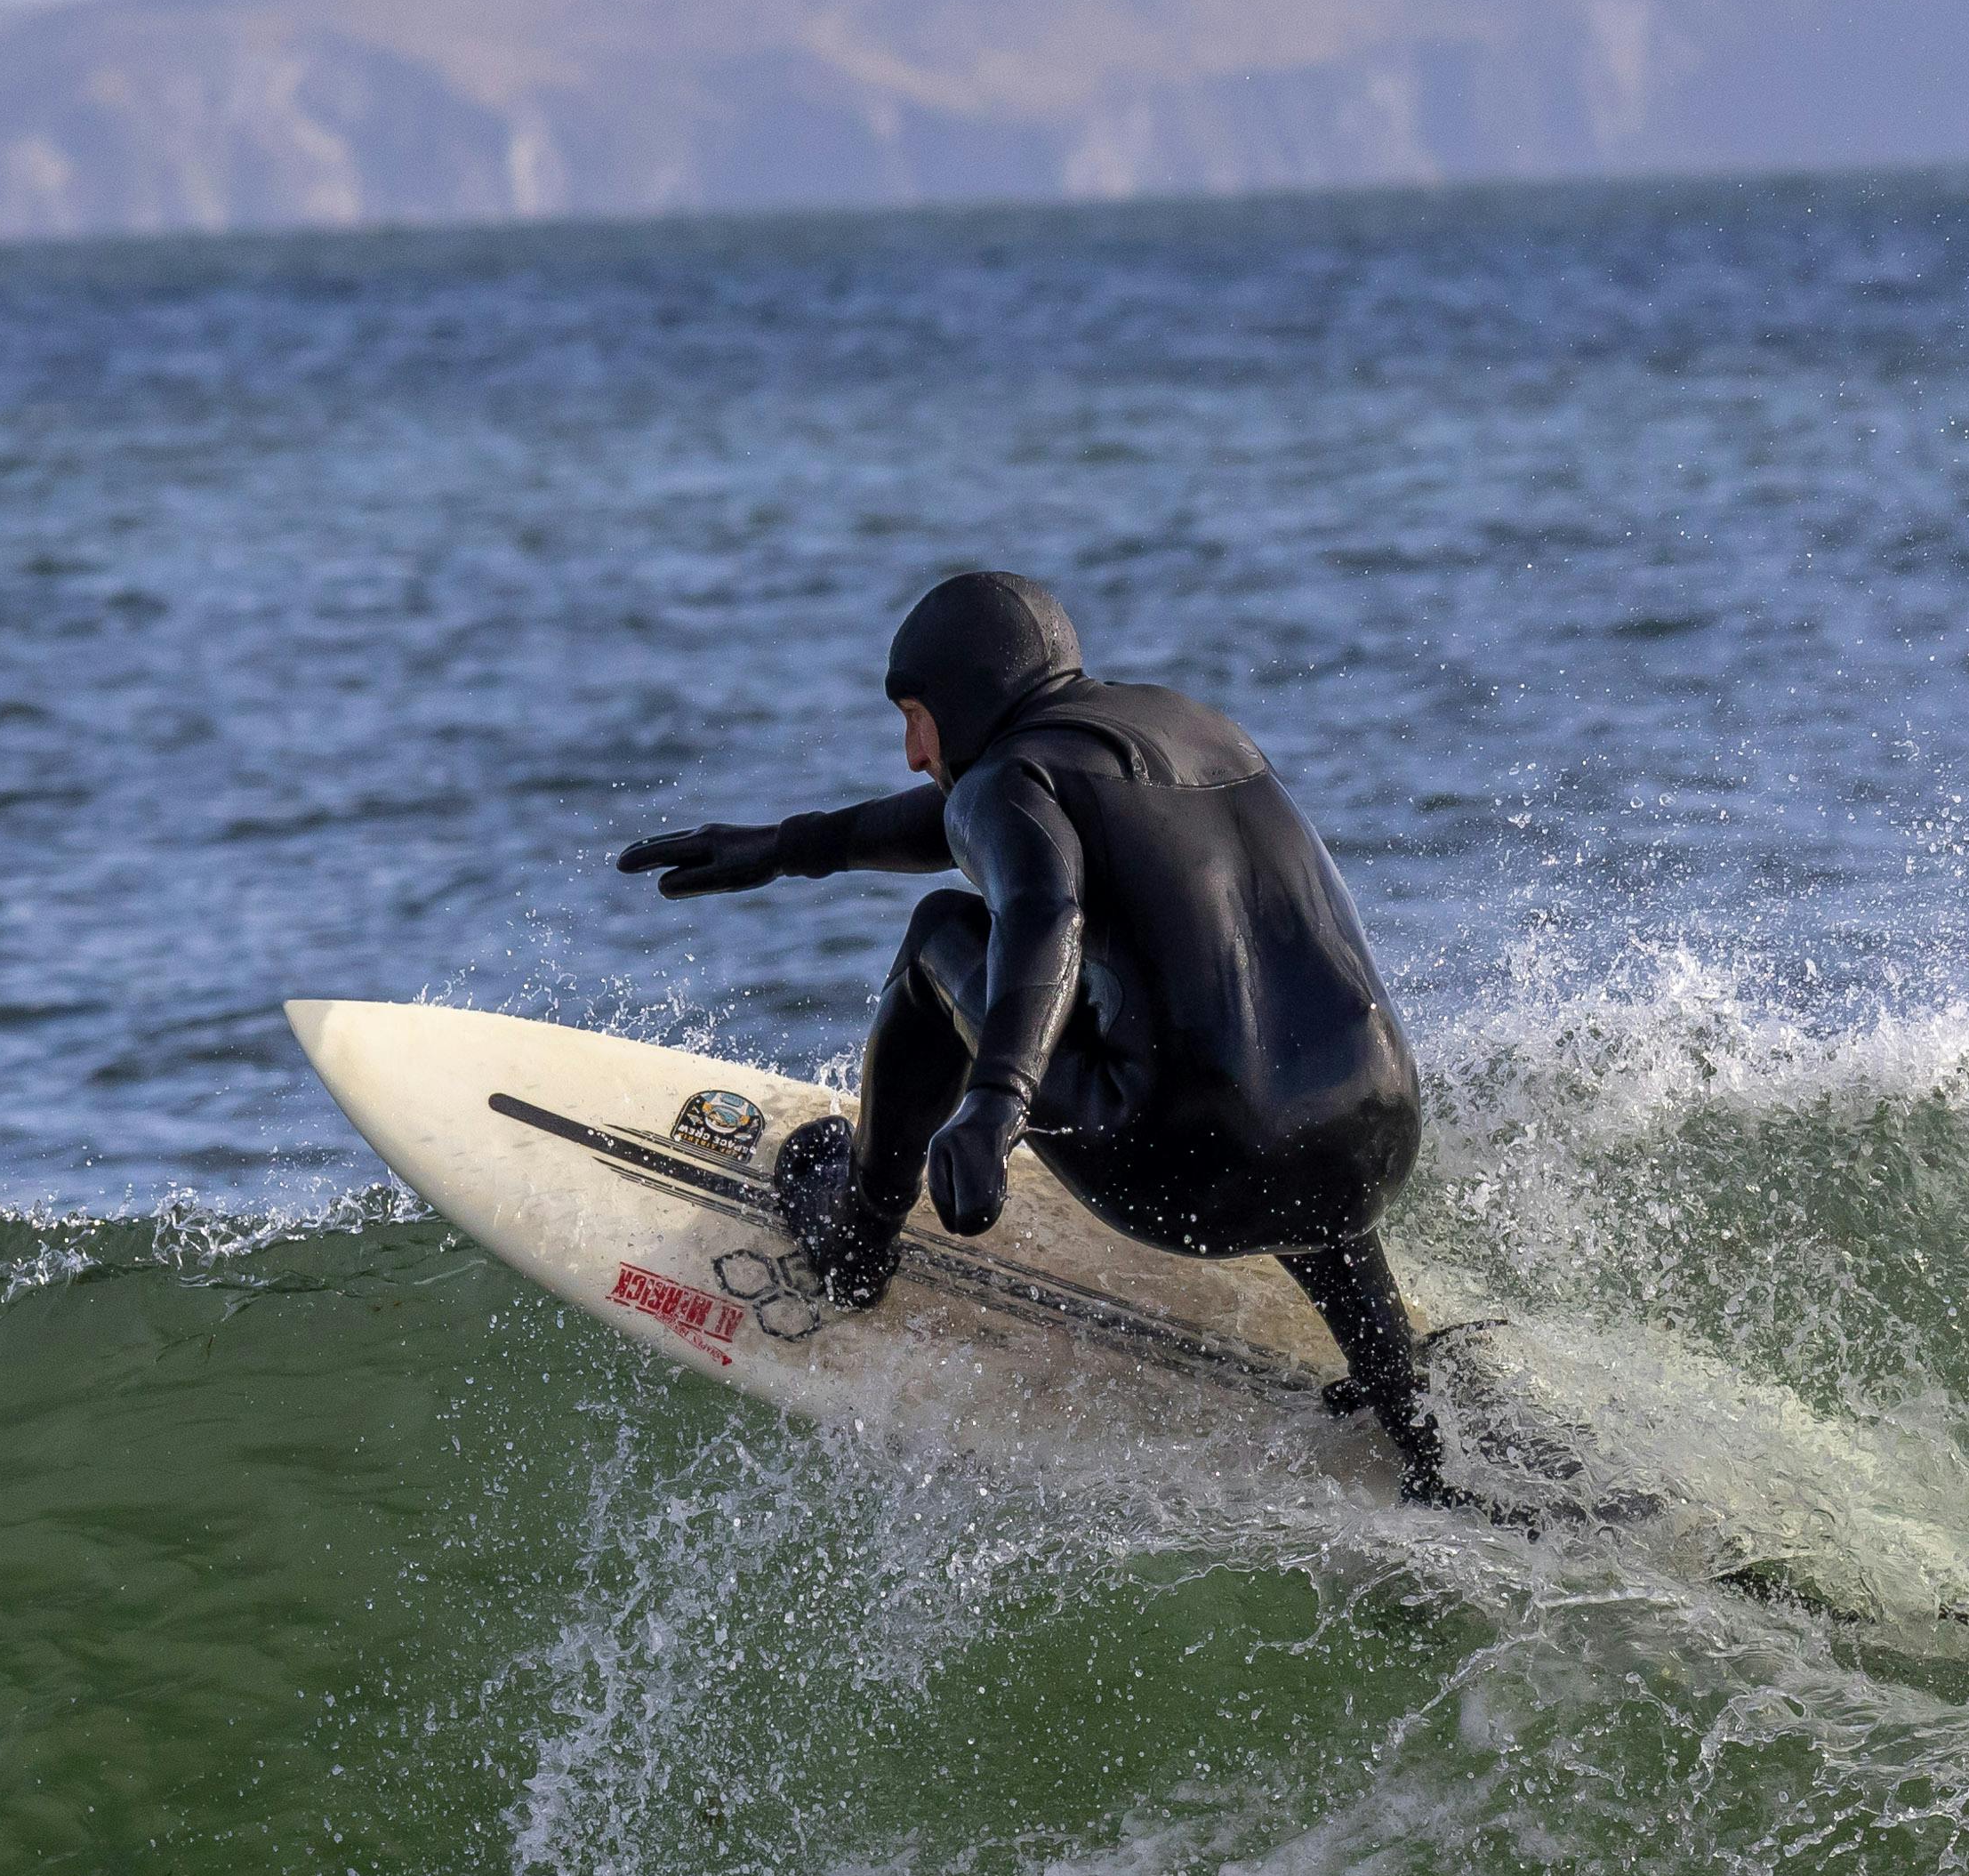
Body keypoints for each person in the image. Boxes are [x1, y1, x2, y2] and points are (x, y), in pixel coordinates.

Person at [616, 572, 1459, 1497]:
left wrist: (992, 1105)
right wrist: (784, 847)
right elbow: (965, 824)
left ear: (964, 702)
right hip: (1372, 1138)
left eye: (914, 717)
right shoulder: (1191, 727)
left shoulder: (1011, 779)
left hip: (1189, 1176)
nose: (909, 753)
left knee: (943, 931)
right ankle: (1408, 1412)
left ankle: (856, 1237)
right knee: (1265, 1075)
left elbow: (1038, 909)